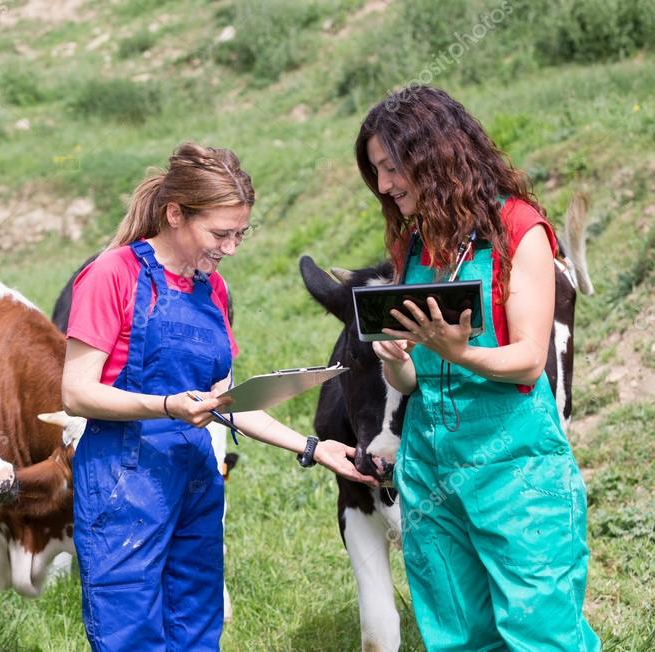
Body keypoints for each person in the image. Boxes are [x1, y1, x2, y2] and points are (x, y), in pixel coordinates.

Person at [61, 142, 376, 651]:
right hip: (122, 485)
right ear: (174, 215)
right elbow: (76, 393)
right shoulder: (112, 274)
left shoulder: (215, 291)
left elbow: (227, 401)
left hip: (194, 479)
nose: (231, 247)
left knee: (197, 630)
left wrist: (314, 448)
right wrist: (165, 406)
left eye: (240, 233)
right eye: (220, 233)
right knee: (131, 636)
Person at [358, 86, 600, 651]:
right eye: (377, 172)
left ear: (434, 154)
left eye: (393, 168)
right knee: (457, 633)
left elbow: (528, 358)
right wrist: (396, 363)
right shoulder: (413, 241)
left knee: (541, 628)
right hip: (430, 468)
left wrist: (456, 350)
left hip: (514, 468)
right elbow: (415, 381)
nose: (387, 185)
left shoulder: (519, 229)